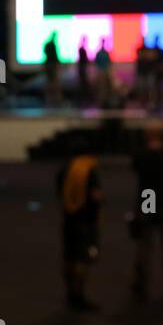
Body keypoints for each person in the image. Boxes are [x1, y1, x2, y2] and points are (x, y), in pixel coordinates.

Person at [130, 122, 163, 301]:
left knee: (145, 244)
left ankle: (141, 282)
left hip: (148, 197)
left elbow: (136, 169)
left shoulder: (141, 155)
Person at [56, 133, 103, 311]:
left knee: (68, 256)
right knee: (82, 258)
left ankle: (69, 293)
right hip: (85, 219)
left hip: (68, 218)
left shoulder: (64, 169)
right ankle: (79, 295)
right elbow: (95, 195)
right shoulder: (88, 169)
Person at [43, 33, 63, 107]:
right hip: (51, 65)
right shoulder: (52, 45)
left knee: (50, 82)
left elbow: (44, 52)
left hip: (49, 64)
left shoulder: (48, 44)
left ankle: (50, 99)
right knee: (53, 83)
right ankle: (55, 100)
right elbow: (56, 56)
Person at [94, 40, 113, 107]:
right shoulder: (99, 53)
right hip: (101, 71)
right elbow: (96, 62)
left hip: (105, 71)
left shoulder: (106, 53)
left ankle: (105, 101)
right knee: (101, 87)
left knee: (107, 87)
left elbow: (109, 62)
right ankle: (101, 101)